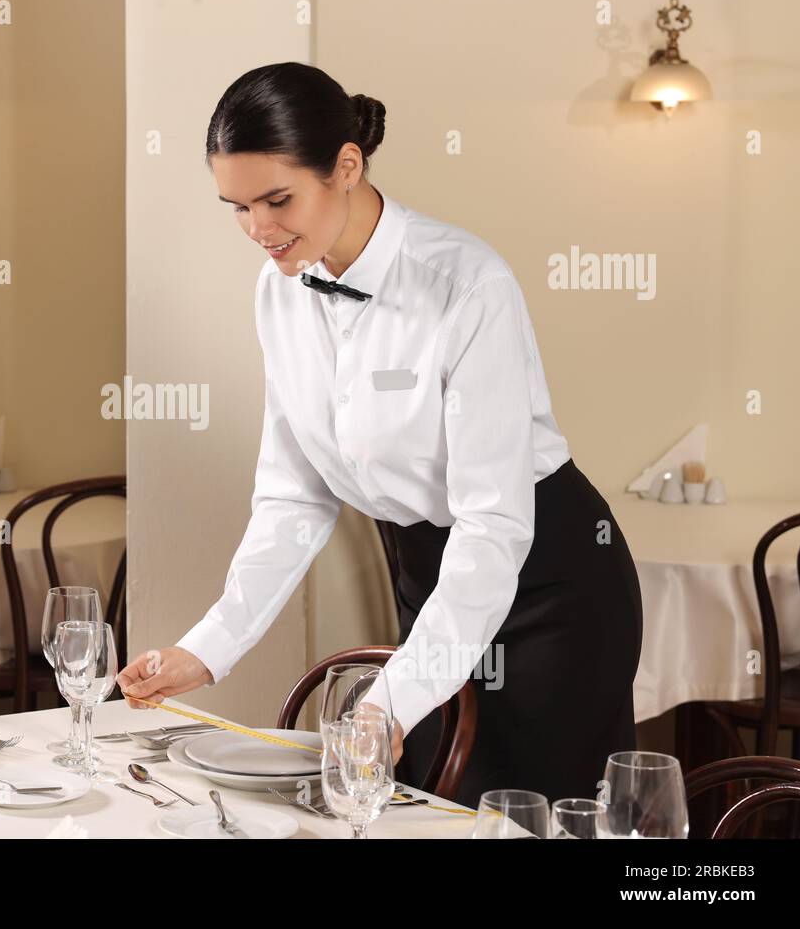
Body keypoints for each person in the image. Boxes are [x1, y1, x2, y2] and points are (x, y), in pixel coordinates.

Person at [116, 62, 643, 808]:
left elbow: (493, 521)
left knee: (530, 815)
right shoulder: (279, 291)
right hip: (427, 573)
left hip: (545, 578)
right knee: (426, 808)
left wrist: (396, 694)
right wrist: (209, 646)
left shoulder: (466, 284)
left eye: (277, 199)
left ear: (347, 166)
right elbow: (293, 497)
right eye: (237, 206)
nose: (259, 230)